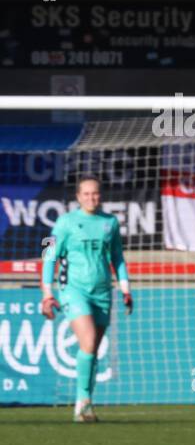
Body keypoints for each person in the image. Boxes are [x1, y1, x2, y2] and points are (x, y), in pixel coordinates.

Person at [40, 177, 133, 422]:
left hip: (102, 292)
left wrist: (126, 289)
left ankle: (85, 404)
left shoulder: (109, 223)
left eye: (96, 194)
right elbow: (48, 254)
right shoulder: (64, 222)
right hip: (73, 289)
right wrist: (47, 293)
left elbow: (118, 258)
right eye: (87, 194)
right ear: (78, 197)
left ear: (100, 196)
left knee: (91, 350)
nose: (92, 198)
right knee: (89, 340)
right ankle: (83, 402)